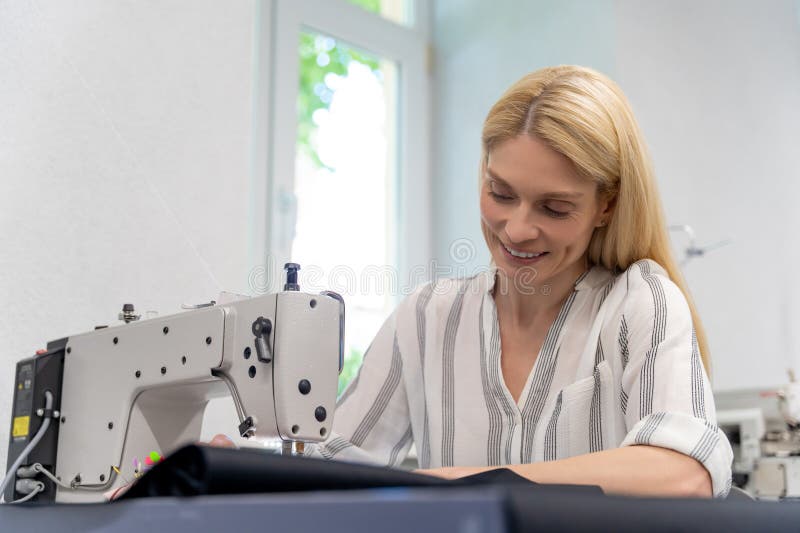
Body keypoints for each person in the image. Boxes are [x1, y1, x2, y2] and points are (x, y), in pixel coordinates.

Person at [260, 65, 732, 497]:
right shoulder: (430, 316)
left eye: (554, 207)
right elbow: (334, 463)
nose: (517, 229)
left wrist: (457, 483)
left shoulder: (638, 303)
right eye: (500, 194)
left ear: (605, 206)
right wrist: (238, 472)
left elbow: (685, 473)